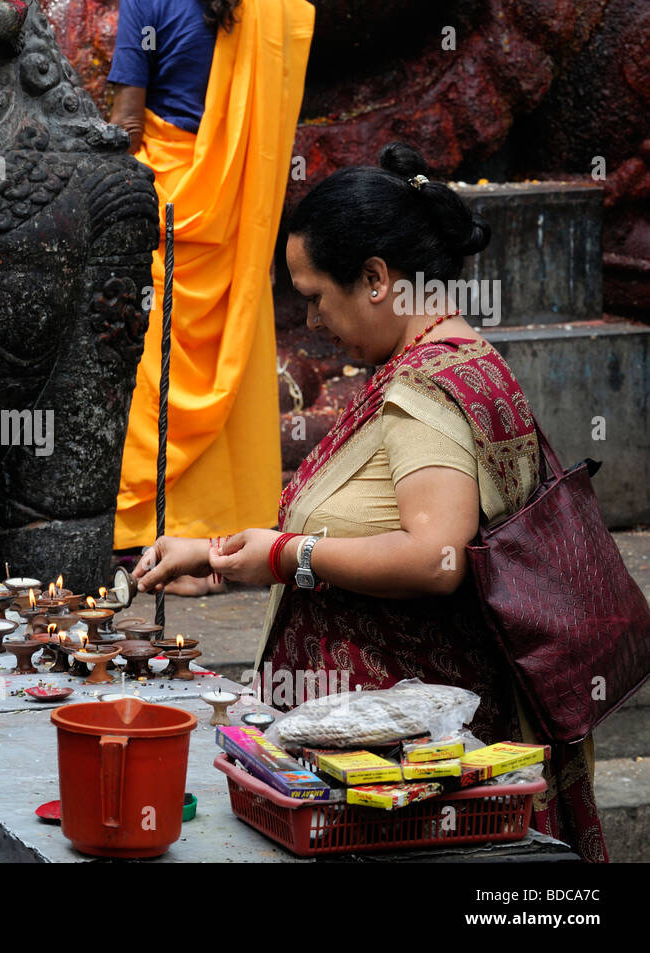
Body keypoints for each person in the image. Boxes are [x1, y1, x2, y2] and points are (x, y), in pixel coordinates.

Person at [133, 142, 607, 862]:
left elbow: (434, 556)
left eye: (317, 295)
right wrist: (227, 557)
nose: (314, 320)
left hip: (395, 779)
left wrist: (289, 554)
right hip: (394, 751)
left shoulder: (427, 391)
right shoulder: (462, 359)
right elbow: (375, 519)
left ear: (377, 278)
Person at [107, 0, 315, 592]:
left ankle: (147, 539)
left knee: (150, 370)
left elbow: (125, 123)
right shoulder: (274, 10)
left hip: (161, 198)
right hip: (234, 208)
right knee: (227, 352)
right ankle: (223, 541)